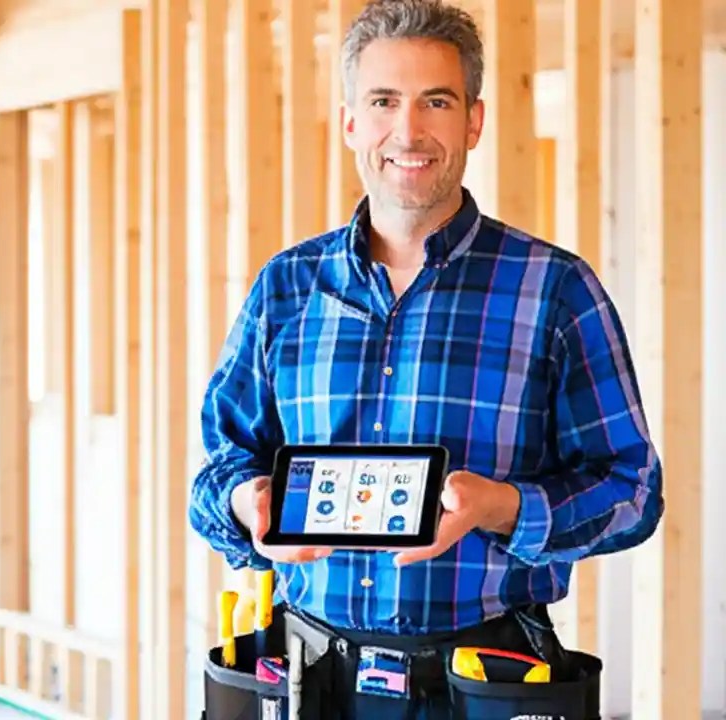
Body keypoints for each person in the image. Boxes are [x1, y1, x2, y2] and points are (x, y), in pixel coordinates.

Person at [188, 0, 662, 717]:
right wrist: (245, 503)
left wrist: (503, 507)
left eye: (435, 102)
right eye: (383, 101)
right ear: (351, 121)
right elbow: (217, 469)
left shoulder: (556, 291)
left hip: (489, 677)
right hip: (308, 678)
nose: (407, 131)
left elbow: (634, 491)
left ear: (473, 119)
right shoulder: (286, 286)